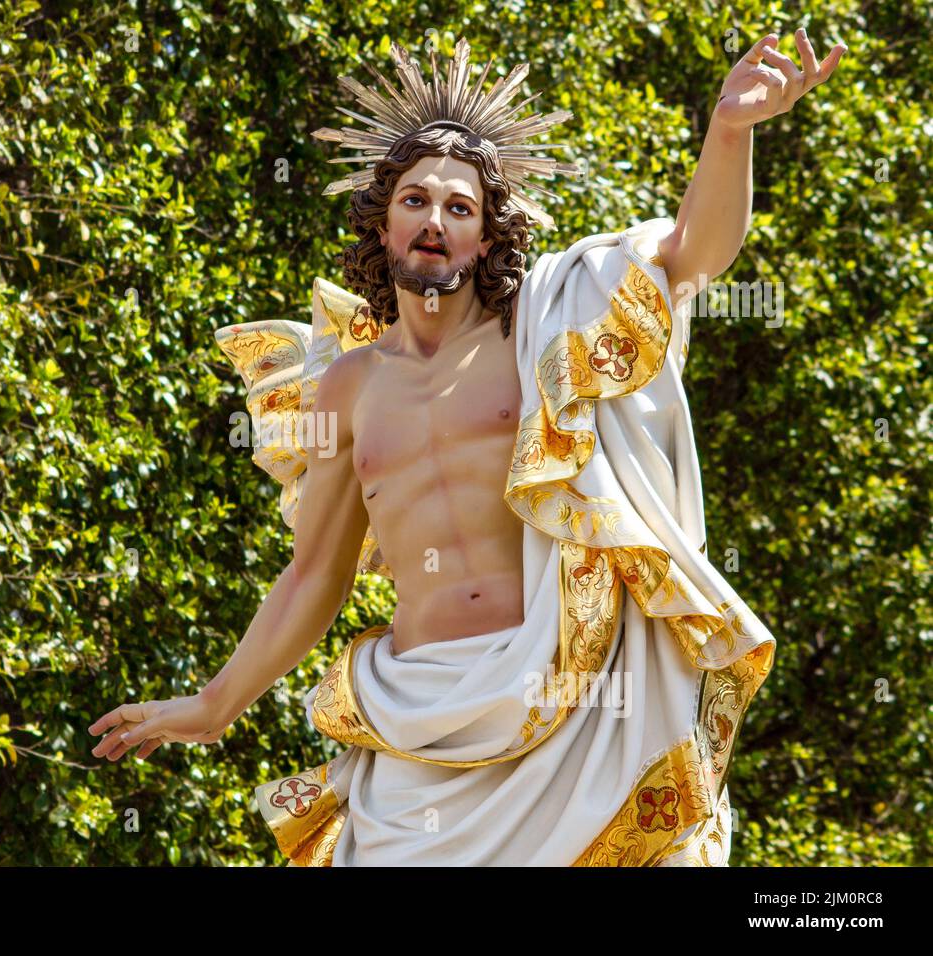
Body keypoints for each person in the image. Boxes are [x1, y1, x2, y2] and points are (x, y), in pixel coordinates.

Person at [90, 30, 845, 865]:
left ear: (486, 239)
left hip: (566, 710)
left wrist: (729, 132)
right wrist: (213, 704)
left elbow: (692, 257)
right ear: (383, 224)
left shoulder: (545, 327)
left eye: (460, 208)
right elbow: (315, 574)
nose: (435, 221)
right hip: (417, 728)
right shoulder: (347, 389)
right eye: (415, 201)